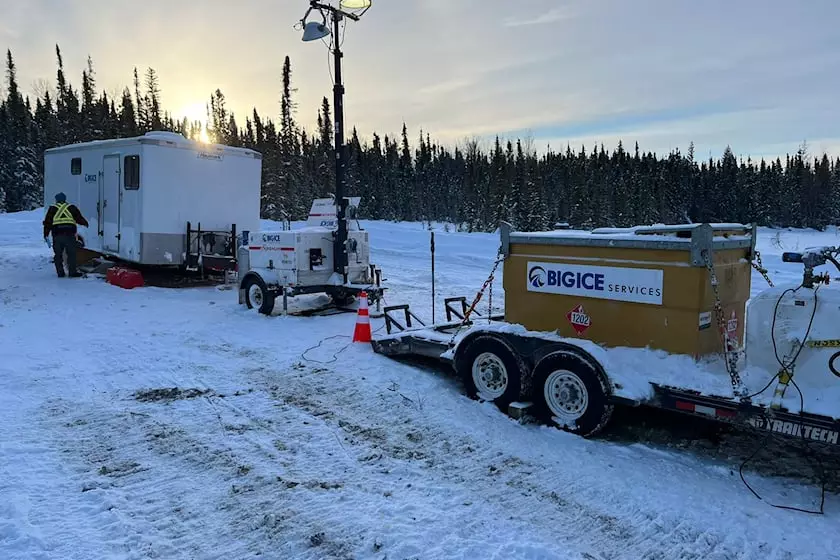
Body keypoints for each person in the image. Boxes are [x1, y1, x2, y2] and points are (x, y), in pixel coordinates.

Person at [43, 192, 89, 278]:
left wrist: (45, 234)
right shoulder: (71, 207)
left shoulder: (52, 209)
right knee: (71, 254)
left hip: (57, 235)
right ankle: (72, 272)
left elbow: (47, 223)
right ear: (65, 199)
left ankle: (60, 273)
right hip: (69, 235)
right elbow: (79, 218)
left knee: (58, 255)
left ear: (56, 200)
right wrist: (85, 223)